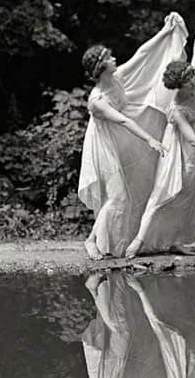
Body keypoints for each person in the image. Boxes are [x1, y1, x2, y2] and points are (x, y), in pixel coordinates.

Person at [78, 14, 188, 259]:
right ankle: (91, 240)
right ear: (101, 66)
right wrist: (149, 139)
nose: (115, 59)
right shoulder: (97, 100)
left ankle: (98, 238)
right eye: (109, 58)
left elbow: (142, 55)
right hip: (104, 143)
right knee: (117, 196)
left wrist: (164, 32)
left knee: (126, 191)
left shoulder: (115, 78)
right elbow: (124, 120)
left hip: (118, 137)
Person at [126, 11, 195, 257]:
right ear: (179, 85)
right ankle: (139, 240)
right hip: (177, 151)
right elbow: (191, 139)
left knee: (188, 194)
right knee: (163, 194)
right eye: (188, 80)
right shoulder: (175, 108)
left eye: (192, 76)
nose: (194, 81)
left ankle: (176, 239)